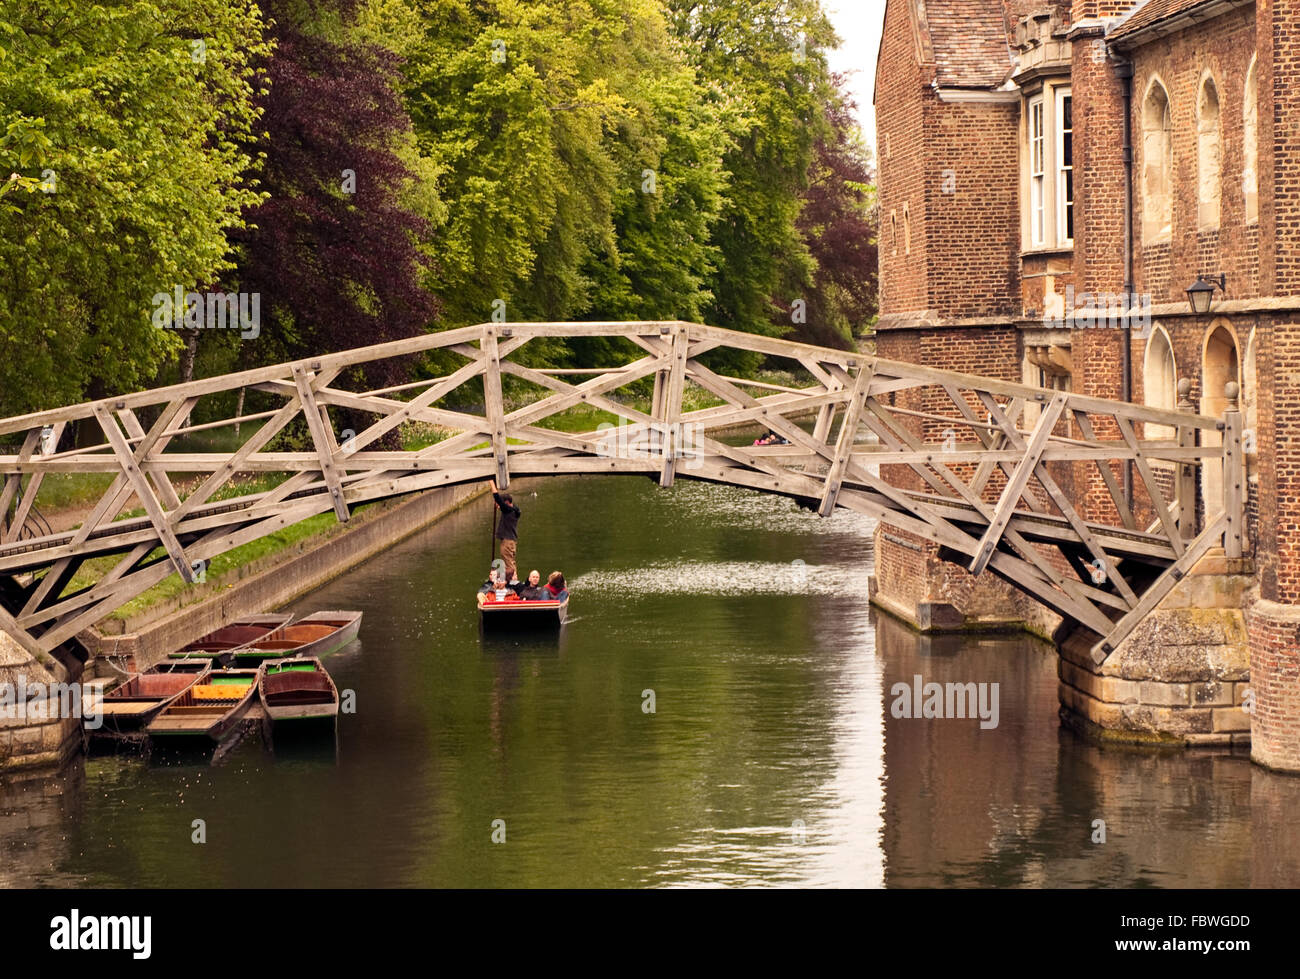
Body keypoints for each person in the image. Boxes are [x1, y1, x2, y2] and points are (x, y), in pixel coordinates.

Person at [488, 479, 521, 582]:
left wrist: (491, 483)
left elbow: (497, 498)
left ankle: (513, 583)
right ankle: (514, 581)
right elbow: (502, 505)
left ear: (506, 503)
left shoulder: (508, 510)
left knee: (508, 564)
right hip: (511, 541)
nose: (498, 507)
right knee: (511, 562)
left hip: (507, 542)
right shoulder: (514, 510)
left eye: (500, 505)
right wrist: (499, 506)